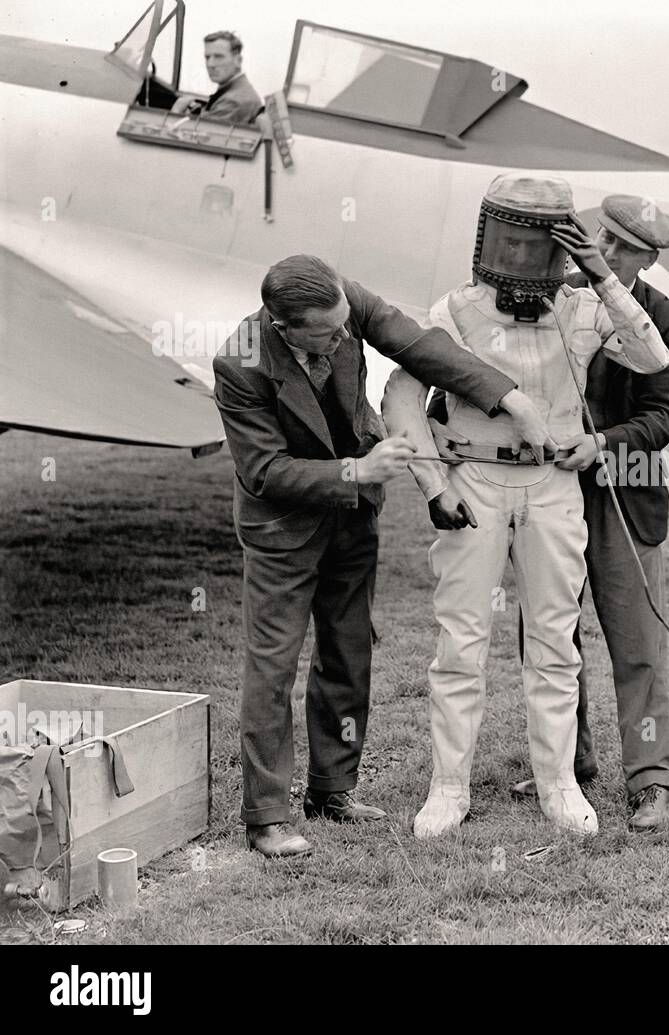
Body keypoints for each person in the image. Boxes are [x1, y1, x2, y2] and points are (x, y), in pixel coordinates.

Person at [212, 253, 553, 858]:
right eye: (329, 332)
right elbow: (263, 471)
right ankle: (266, 816)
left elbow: (423, 347)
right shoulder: (238, 363)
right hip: (283, 528)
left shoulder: (344, 300)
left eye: (348, 323)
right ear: (283, 326)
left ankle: (332, 790)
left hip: (352, 516)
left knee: (347, 651)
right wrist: (357, 468)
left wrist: (510, 400)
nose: (346, 336)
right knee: (273, 667)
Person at [381, 173, 669, 839]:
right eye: (514, 239)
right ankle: (447, 787)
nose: (524, 257)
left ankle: (560, 783)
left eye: (538, 241)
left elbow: (652, 355)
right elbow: (399, 393)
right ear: (489, 237)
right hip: (474, 479)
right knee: (461, 642)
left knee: (553, 643)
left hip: (550, 487)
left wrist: (598, 272)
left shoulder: (581, 307)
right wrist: (432, 484)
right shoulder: (453, 311)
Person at [504, 195, 669, 832]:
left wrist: (604, 443)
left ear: (648, 258)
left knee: (636, 646)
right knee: (549, 636)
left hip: (622, 498)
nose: (603, 252)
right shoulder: (553, 297)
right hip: (548, 492)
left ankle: (652, 780)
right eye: (601, 237)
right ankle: (566, 765)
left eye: (622, 247)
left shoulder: (662, 318)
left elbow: (666, 413)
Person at [171, 31, 261, 124]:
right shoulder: (236, 91)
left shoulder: (233, 102)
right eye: (207, 57)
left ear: (238, 60)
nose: (210, 64)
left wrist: (176, 112)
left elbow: (200, 135)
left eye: (218, 57)